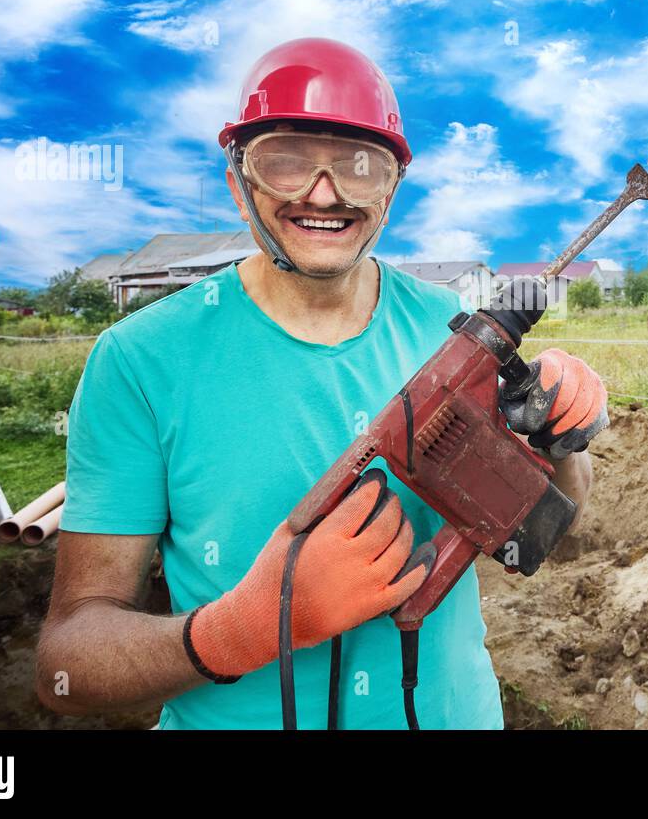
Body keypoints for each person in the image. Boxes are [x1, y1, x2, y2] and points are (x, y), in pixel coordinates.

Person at [35, 38, 609, 729]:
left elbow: (555, 540)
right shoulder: (140, 360)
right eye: (285, 162)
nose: (324, 194)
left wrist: (560, 441)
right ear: (237, 182)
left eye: (358, 169)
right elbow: (65, 665)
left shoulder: (451, 332)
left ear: (391, 191)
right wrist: (243, 628)